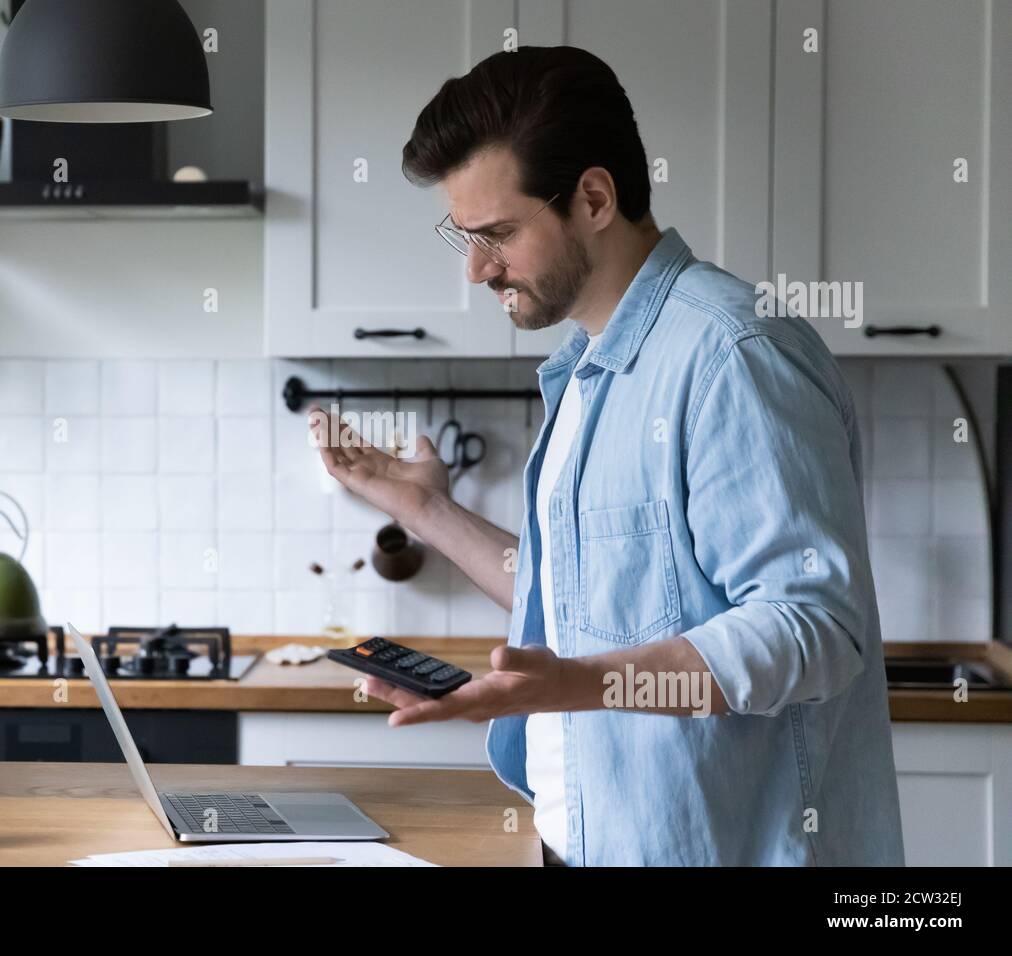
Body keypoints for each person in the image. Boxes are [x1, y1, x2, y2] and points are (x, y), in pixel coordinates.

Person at [309, 46, 904, 866]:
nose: (478, 269)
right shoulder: (591, 372)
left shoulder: (733, 353)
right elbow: (586, 597)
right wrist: (423, 508)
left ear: (593, 198)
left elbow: (815, 629)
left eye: (499, 234)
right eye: (465, 237)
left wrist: (582, 684)